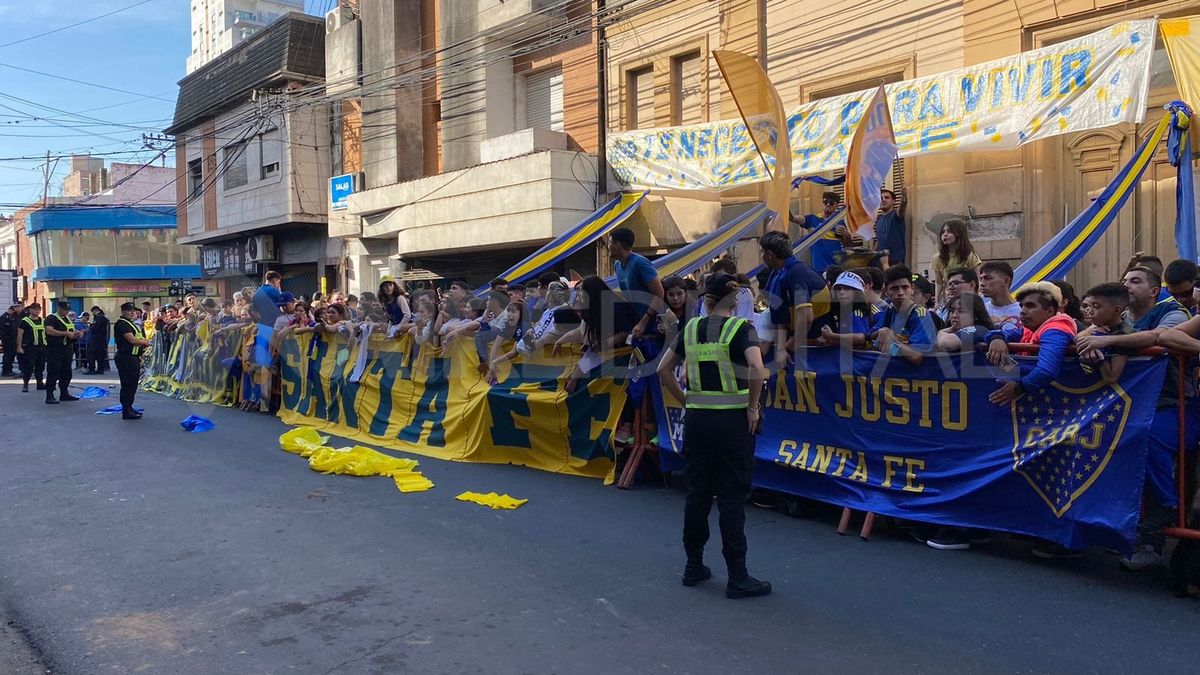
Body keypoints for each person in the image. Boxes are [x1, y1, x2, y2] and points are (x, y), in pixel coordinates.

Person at [656, 272, 770, 599]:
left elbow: (664, 369)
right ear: (734, 300)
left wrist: (687, 401)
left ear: (705, 298)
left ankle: (694, 566)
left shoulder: (690, 329)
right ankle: (738, 575)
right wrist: (752, 407)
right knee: (732, 497)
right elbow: (757, 369)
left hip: (698, 421)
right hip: (733, 424)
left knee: (698, 494)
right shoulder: (741, 328)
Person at [1076, 264, 1193, 569]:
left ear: (1155, 290)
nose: (1127, 285)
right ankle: (1124, 532)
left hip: (1171, 402)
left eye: (1136, 281)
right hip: (1139, 404)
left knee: (1149, 439)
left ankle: (1163, 516)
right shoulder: (1122, 317)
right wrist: (1091, 335)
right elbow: (1170, 339)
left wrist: (1107, 341)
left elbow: (1160, 333)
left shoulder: (1172, 309)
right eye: (1125, 280)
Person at [759, 230, 831, 370]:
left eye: (761, 252)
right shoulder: (779, 272)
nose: (761, 256)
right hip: (799, 342)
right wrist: (781, 349)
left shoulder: (797, 273)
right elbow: (781, 319)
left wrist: (792, 343)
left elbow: (806, 317)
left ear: (770, 254)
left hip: (816, 347)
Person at [870, 265, 936, 364]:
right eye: (894, 288)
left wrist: (892, 342)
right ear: (886, 291)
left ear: (912, 288)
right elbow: (872, 337)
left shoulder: (920, 314)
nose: (900, 292)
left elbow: (916, 357)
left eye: (905, 287)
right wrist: (882, 332)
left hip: (917, 376)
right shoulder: (890, 309)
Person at [608, 226, 665, 342]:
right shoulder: (617, 265)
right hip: (635, 323)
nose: (608, 247)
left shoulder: (640, 263)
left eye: (610, 243)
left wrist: (643, 323)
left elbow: (659, 294)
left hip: (653, 324)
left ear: (617, 245)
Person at [1077, 283, 1133, 384]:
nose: (1089, 311)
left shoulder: (1124, 335)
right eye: (1089, 306)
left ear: (1117, 310)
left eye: (1096, 306)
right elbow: (1077, 338)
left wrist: (1098, 358)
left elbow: (1111, 378)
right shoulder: (1097, 328)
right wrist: (1087, 338)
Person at [790, 191, 845, 273]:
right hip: (818, 268)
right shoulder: (812, 219)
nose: (828, 204)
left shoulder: (840, 222)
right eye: (825, 202)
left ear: (837, 205)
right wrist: (782, 204)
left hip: (836, 269)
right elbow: (793, 218)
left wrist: (846, 234)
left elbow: (848, 244)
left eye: (831, 202)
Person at [818, 271, 873, 349]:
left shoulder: (857, 314)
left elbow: (859, 341)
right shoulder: (843, 313)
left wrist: (831, 337)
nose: (841, 292)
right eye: (839, 289)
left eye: (847, 289)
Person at [113, 302, 150, 420]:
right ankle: (126, 410)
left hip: (133, 356)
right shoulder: (122, 324)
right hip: (126, 357)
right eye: (129, 311)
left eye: (133, 311)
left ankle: (129, 406)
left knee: (133, 384)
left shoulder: (130, 323)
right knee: (128, 384)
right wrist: (144, 342)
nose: (132, 313)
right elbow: (132, 340)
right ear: (123, 311)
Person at [930, 218, 982, 301]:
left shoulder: (971, 256)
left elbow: (977, 281)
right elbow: (938, 283)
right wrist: (937, 302)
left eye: (949, 231)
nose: (945, 235)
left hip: (967, 298)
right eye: (943, 232)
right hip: (948, 298)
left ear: (959, 234)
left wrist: (976, 299)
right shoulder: (937, 258)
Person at [44, 301, 83, 404]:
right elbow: (49, 331)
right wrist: (66, 333)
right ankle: (49, 395)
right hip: (55, 348)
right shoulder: (51, 318)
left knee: (66, 372)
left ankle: (64, 393)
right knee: (53, 371)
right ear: (59, 308)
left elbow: (71, 329)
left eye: (67, 310)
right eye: (64, 309)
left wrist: (77, 333)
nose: (66, 312)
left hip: (67, 348)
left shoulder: (67, 318)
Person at [979, 261, 1021, 328]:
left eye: (987, 278)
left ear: (1006, 281)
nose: (982, 283)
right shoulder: (980, 312)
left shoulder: (1023, 310)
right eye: (981, 279)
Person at [15, 302, 46, 393]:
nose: (37, 311)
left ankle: (40, 384)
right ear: (30, 310)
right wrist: (19, 347)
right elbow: (20, 335)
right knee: (28, 367)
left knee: (40, 367)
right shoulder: (25, 321)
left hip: (41, 347)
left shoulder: (42, 321)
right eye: (35, 309)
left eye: (38, 309)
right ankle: (25, 385)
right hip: (30, 348)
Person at [875, 187, 907, 266]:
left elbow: (902, 208)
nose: (883, 200)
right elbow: (879, 240)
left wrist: (904, 198)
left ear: (893, 201)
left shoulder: (896, 215)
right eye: (881, 198)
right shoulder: (879, 219)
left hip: (896, 261)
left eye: (887, 197)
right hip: (881, 262)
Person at [0, 302, 24, 376]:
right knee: (9, 356)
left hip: (18, 339)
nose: (17, 308)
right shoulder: (6, 316)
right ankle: (6, 371)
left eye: (18, 306)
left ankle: (22, 370)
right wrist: (5, 339)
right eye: (15, 307)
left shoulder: (20, 316)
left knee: (21, 356)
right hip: (9, 340)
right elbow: (3, 330)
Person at [86, 306, 110, 375]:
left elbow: (95, 327)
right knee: (100, 355)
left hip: (96, 339)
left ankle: (92, 369)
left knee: (91, 354)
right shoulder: (103, 317)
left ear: (95, 310)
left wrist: (91, 325)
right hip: (102, 339)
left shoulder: (99, 318)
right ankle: (100, 369)